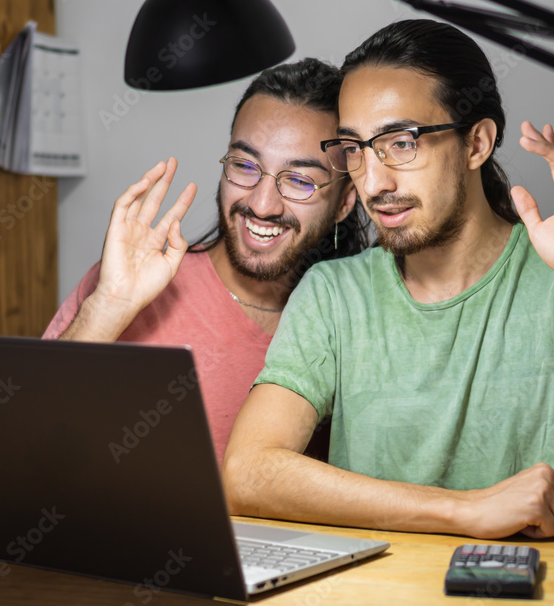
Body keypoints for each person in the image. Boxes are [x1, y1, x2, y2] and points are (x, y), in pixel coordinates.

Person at [222, 19, 554, 538]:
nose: (374, 180)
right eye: (355, 149)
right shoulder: (333, 295)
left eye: (402, 143)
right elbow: (247, 472)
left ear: (476, 143)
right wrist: (464, 510)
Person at [43, 59, 367, 463]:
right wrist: (108, 306)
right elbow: (24, 439)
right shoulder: (131, 283)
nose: (262, 205)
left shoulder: (351, 319)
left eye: (300, 180)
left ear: (345, 202)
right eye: (245, 167)